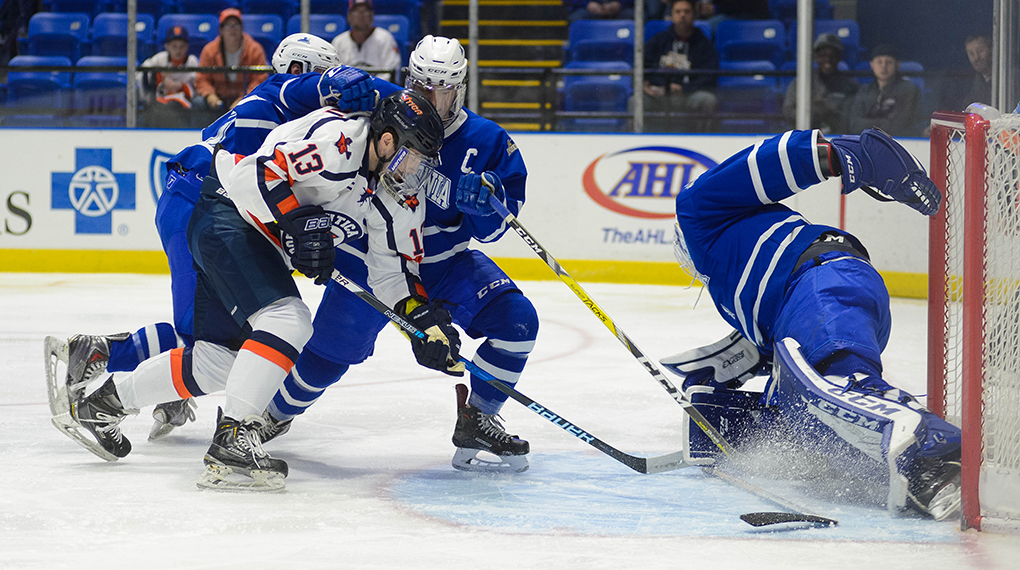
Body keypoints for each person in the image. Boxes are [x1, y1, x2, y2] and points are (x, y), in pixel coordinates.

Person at [56, 90, 459, 493]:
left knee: (225, 362)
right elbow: (254, 175)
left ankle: (104, 404)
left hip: (255, 239)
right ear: (387, 140)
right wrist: (299, 223)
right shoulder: (339, 141)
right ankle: (233, 437)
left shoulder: (398, 194)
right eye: (413, 157)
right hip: (226, 212)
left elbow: (394, 272)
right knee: (289, 320)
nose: (415, 170)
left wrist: (424, 323)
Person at [46, 34, 376, 440]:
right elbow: (298, 99)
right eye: (319, 74)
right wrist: (336, 82)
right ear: (297, 69)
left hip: (197, 199)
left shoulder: (295, 116)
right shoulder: (282, 93)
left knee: (225, 333)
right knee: (210, 336)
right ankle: (102, 355)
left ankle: (135, 376)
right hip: (200, 202)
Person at [265, 35, 537, 474]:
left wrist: (487, 202)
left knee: (517, 321)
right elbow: (308, 113)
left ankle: (479, 418)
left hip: (446, 265)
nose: (431, 98)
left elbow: (494, 230)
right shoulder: (386, 108)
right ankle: (270, 417)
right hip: (375, 261)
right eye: (422, 86)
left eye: (442, 90)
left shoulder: (487, 140)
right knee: (329, 355)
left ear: (460, 88)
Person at [669, 127, 962, 520]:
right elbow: (770, 344)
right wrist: (718, 372)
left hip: (820, 285)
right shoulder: (737, 281)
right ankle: (912, 468)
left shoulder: (695, 212)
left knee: (837, 385)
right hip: (825, 294)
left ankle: (935, 454)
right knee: (802, 409)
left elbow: (758, 166)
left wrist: (837, 155)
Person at [642, 0, 718, 133]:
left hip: (689, 94)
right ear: (672, 15)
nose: (682, 15)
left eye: (687, 12)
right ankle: (640, 142)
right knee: (637, 101)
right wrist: (647, 85)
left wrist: (683, 89)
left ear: (694, 15)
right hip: (659, 94)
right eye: (678, 12)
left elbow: (709, 77)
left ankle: (704, 141)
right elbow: (644, 67)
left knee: (707, 100)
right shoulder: (659, 40)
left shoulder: (704, 44)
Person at [195, 8, 269, 113]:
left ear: (242, 29)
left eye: (236, 25)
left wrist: (244, 98)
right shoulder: (209, 50)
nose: (232, 29)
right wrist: (210, 95)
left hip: (245, 97)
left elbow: (260, 79)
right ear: (221, 30)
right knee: (198, 102)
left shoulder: (254, 49)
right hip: (218, 98)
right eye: (228, 25)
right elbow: (202, 79)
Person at [783, 33, 858, 134]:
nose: (828, 60)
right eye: (823, 55)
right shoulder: (801, 84)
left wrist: (834, 112)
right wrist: (815, 113)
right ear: (815, 57)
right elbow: (789, 111)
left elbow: (853, 117)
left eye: (833, 56)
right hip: (807, 136)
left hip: (839, 138)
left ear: (839, 58)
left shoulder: (850, 86)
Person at [845, 44, 921, 137]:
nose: (884, 66)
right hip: (866, 140)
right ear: (872, 65)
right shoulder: (864, 90)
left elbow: (899, 125)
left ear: (897, 65)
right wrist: (885, 122)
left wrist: (868, 123)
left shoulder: (909, 90)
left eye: (889, 62)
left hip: (898, 142)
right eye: (879, 62)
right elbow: (854, 124)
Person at [137, 25, 199, 128]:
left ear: (187, 47)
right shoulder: (160, 59)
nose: (178, 50)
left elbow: (198, 88)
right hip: (160, 105)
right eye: (174, 46)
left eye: (182, 46)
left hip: (184, 107)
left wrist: (181, 86)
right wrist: (158, 75)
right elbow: (141, 73)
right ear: (167, 46)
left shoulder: (192, 62)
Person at [331, 0, 401, 83]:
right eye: (356, 12)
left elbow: (391, 71)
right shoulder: (338, 42)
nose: (361, 16)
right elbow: (333, 73)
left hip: (378, 88)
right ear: (349, 16)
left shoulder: (385, 38)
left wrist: (371, 87)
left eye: (365, 12)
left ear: (372, 15)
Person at [565, 0, 635, 25]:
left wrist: (620, 4)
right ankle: (580, 51)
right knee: (577, 18)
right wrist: (587, 4)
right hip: (587, 11)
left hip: (620, 11)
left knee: (632, 16)